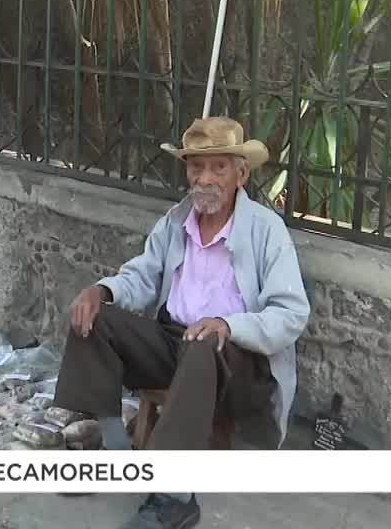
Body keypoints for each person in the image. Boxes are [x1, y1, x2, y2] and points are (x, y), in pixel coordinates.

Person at [52, 116, 310, 529]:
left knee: (204, 343)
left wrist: (228, 325)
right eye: (195, 167)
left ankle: (175, 496)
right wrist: (102, 290)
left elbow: (290, 313)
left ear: (241, 174)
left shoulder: (266, 231)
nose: (204, 178)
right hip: (176, 341)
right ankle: (115, 454)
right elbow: (142, 274)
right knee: (94, 319)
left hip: (236, 359)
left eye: (218, 167)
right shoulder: (176, 220)